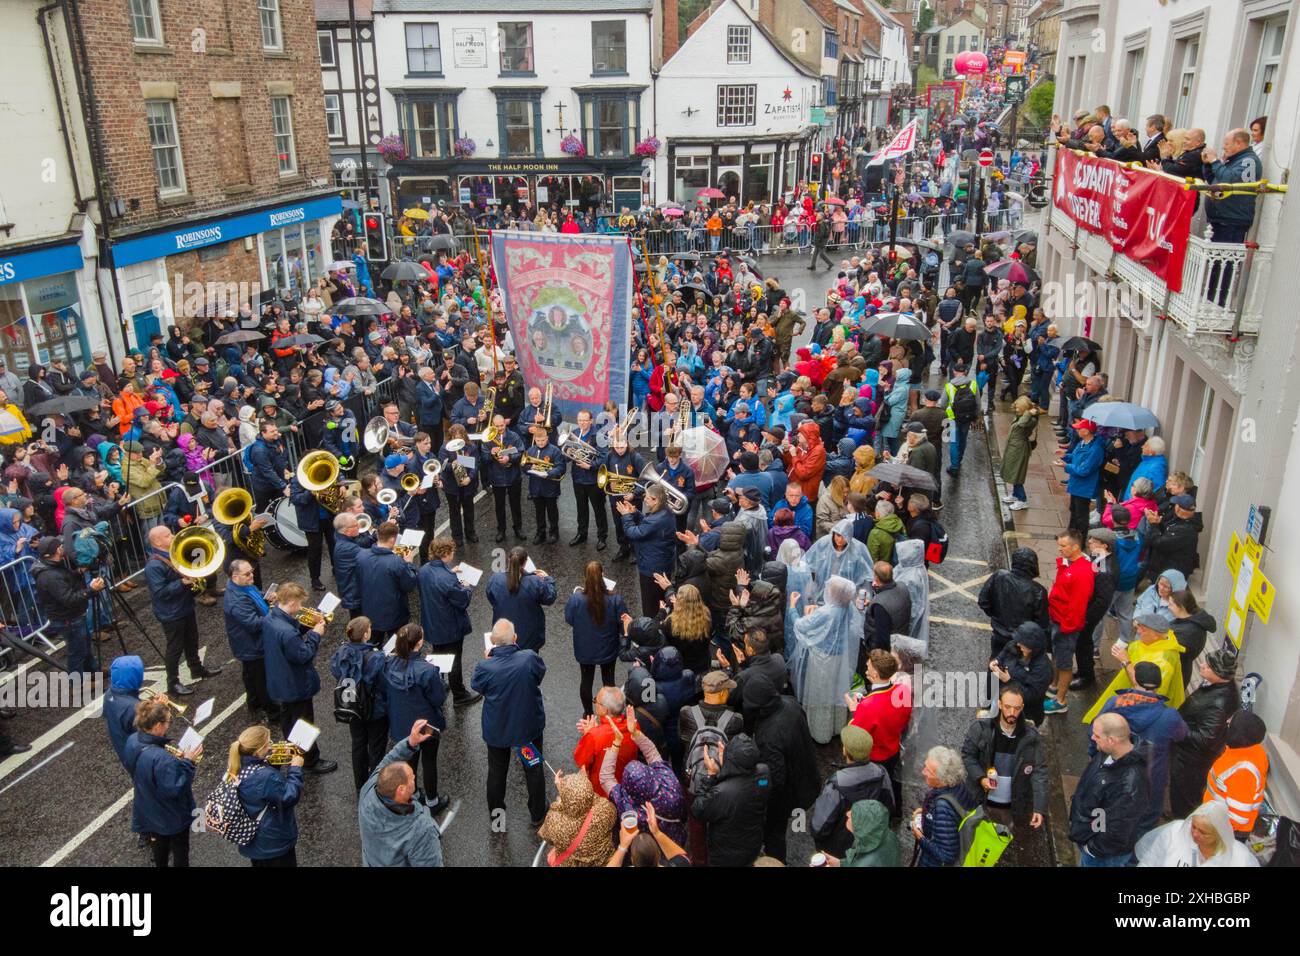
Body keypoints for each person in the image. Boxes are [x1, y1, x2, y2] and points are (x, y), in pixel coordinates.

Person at [1095, 662, 1188, 834]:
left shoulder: (1114, 703)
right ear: (1158, 685)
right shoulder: (1169, 716)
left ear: (1135, 680)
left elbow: (1094, 734)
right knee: (1144, 826)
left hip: (1114, 775)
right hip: (1151, 780)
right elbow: (1182, 735)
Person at [471, 618, 548, 826]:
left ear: (494, 641)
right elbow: (538, 676)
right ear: (514, 638)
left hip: (498, 730)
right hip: (526, 729)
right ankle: (538, 813)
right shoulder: (529, 658)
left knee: (497, 772)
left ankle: (498, 818)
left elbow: (477, 686)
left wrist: (487, 660)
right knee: (532, 767)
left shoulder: (485, 666)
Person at [742, 673, 820, 863]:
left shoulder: (769, 735)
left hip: (789, 793)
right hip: (808, 775)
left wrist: (755, 784)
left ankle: (775, 861)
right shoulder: (790, 703)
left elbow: (774, 779)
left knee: (774, 832)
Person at [142, 526, 221, 697]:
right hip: (171, 614)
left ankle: (197, 669)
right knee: (175, 648)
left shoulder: (173, 554)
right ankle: (173, 683)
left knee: (192, 640)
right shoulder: (154, 566)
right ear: (157, 542)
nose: (172, 536)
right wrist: (182, 583)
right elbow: (160, 592)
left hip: (184, 606)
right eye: (167, 535)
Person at [358, 719, 446, 867]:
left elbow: (389, 760)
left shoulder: (368, 790)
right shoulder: (420, 831)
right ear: (401, 790)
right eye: (411, 778)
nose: (414, 778)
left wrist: (410, 742)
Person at [123, 697, 199, 867]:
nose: (168, 725)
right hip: (171, 816)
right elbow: (176, 788)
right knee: (180, 851)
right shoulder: (163, 759)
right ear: (157, 726)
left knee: (159, 850)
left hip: (148, 808)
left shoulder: (132, 740)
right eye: (167, 722)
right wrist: (188, 762)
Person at [961, 684, 1047, 834]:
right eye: (1007, 707)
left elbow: (1039, 772)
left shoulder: (1031, 737)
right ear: (999, 704)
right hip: (982, 802)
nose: (1012, 712)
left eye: (1017, 708)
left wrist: (1039, 808)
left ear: (1022, 707)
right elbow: (968, 755)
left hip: (1012, 808)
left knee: (1002, 841)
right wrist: (981, 778)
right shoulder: (981, 728)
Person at [787, 575, 863, 744]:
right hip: (840, 656)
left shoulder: (827, 611)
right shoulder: (847, 606)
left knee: (820, 693)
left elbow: (801, 625)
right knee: (836, 690)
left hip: (823, 660)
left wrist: (792, 607)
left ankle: (820, 732)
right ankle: (836, 726)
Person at [382, 623, 449, 814]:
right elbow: (438, 698)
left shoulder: (388, 664)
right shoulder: (427, 670)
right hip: (425, 725)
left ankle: (413, 795)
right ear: (419, 643)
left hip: (401, 723)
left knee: (409, 762)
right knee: (429, 762)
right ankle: (432, 800)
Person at [1070, 713, 1150, 867]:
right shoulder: (1107, 753)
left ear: (1111, 740)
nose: (1092, 738)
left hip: (1103, 857)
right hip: (1090, 835)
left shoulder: (1131, 784)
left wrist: (1091, 849)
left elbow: (1118, 831)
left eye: (1097, 735)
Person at [1169, 650, 1239, 818]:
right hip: (1187, 753)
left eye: (1208, 666)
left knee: (1185, 796)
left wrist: (1178, 729)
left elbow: (1205, 739)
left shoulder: (1218, 704)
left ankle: (1184, 823)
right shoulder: (1215, 684)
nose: (1202, 665)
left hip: (1191, 760)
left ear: (1219, 673)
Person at [1083, 614, 1187, 724]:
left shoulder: (1163, 662)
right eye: (1138, 627)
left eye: (1143, 629)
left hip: (1141, 709)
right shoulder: (1156, 642)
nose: (1138, 632)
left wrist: (1126, 661)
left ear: (1155, 635)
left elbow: (1145, 690)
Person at [810, 723, 897, 856]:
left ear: (845, 751)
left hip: (840, 849)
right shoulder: (882, 773)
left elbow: (820, 827)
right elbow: (889, 808)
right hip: (871, 842)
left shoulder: (836, 785)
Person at [228, 724, 306, 867]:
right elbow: (289, 796)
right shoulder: (265, 777)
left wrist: (272, 762)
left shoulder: (237, 765)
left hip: (255, 842)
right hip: (273, 842)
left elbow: (260, 788)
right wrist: (295, 769)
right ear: (258, 751)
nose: (271, 746)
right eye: (268, 744)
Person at [689, 733, 771, 867]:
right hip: (752, 843)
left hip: (725, 854)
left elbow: (698, 810)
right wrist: (726, 762)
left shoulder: (724, 792)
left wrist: (710, 775)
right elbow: (756, 785)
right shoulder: (764, 775)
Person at [848, 649, 912, 816]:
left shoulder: (868, 706)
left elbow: (857, 735)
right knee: (894, 785)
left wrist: (855, 710)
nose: (866, 667)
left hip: (876, 757)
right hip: (894, 748)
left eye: (868, 666)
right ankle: (896, 811)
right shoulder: (903, 691)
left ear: (875, 674)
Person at [32, 536, 106, 679]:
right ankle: (77, 684)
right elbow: (69, 599)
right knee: (76, 651)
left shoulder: (53, 565)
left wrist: (77, 573)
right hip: (68, 618)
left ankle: (93, 671)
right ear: (53, 552)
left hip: (73, 615)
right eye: (59, 547)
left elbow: (65, 579)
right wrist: (91, 590)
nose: (62, 548)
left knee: (85, 645)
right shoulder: (49, 576)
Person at [418, 536, 481, 704]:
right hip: (449, 626)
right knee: (454, 660)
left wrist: (450, 572)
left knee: (438, 655)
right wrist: (466, 587)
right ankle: (459, 695)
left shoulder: (424, 569)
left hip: (432, 622)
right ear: (446, 552)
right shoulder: (447, 579)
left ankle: (438, 685)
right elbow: (462, 601)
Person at [330, 616, 389, 791]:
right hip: (374, 710)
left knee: (358, 745)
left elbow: (336, 671)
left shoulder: (342, 652)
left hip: (351, 706)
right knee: (376, 748)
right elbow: (382, 684)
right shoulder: (375, 657)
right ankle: (375, 787)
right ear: (365, 634)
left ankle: (360, 785)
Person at [565, 561, 631, 717]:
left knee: (586, 681)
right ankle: (611, 711)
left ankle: (588, 712)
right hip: (608, 648)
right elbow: (624, 625)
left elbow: (569, 619)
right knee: (609, 681)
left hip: (585, 649)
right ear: (602, 575)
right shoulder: (615, 599)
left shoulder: (576, 599)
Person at [1043, 530, 1094, 716]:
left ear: (1075, 547)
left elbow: (1078, 605)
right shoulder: (1070, 563)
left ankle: (1060, 700)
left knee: (1064, 663)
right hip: (1057, 619)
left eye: (1063, 546)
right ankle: (1054, 686)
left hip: (1066, 625)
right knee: (1057, 656)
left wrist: (1066, 628)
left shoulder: (1082, 572)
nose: (1059, 549)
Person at [223, 559, 278, 723]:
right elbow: (254, 625)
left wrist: (267, 598)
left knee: (250, 676)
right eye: (247, 574)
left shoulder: (243, 586)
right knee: (261, 679)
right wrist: (275, 612)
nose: (252, 575)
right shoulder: (236, 600)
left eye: (251, 571)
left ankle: (254, 704)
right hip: (252, 646)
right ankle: (273, 713)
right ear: (235, 576)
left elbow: (256, 595)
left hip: (249, 644)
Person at [1135, 802, 1259, 868]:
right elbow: (1149, 862)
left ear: (1218, 835)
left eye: (1203, 832)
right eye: (1193, 826)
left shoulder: (1240, 858)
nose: (1194, 833)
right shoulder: (1174, 832)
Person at [979, 547, 1050, 660]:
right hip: (1022, 642)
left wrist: (997, 616)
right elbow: (1042, 624)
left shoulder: (999, 576)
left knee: (995, 665)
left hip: (999, 635)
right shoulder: (1038, 591)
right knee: (1017, 672)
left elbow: (983, 601)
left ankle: (992, 677)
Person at [357, 520, 419, 649]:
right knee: (397, 649)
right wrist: (409, 564)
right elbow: (409, 585)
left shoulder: (361, 556)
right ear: (392, 540)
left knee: (373, 649)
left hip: (371, 612)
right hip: (394, 615)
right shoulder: (396, 562)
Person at [1205, 711, 1269, 835]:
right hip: (1215, 815)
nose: (1227, 723)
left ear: (1237, 735)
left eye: (1231, 724)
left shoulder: (1244, 772)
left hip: (1226, 830)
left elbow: (1238, 819)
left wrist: (1213, 829)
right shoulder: (1251, 749)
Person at [538, 767, 616, 868]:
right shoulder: (606, 809)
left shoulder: (554, 820)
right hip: (603, 861)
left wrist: (562, 794)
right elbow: (593, 799)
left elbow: (547, 837)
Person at [618, 483, 677, 615]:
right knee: (661, 601)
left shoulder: (656, 519)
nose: (645, 499)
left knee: (650, 605)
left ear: (657, 500)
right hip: (662, 563)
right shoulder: (665, 511)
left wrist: (626, 515)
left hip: (651, 568)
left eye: (648, 498)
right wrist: (636, 513)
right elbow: (648, 523)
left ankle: (650, 629)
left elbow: (633, 532)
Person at [912, 746, 976, 867]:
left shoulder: (943, 807)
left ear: (942, 778)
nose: (923, 772)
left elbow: (947, 855)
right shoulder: (958, 785)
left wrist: (920, 837)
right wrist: (926, 812)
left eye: (929, 771)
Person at [486, 546, 556, 652]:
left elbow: (491, 598)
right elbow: (550, 597)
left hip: (504, 637)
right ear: (525, 562)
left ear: (509, 560)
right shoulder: (534, 582)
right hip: (529, 638)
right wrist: (547, 580)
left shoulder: (495, 579)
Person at [565, 409, 608, 549]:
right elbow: (566, 456)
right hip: (578, 478)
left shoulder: (599, 435)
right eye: (580, 420)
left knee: (599, 510)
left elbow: (604, 457)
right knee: (581, 509)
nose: (582, 423)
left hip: (593, 479)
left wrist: (589, 466)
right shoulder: (575, 433)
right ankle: (581, 534)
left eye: (585, 420)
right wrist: (569, 452)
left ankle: (602, 537)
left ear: (591, 421)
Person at [820, 800, 900, 868]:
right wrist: (839, 863)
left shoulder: (866, 863)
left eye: (853, 815)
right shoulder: (886, 834)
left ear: (864, 829)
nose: (847, 813)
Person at [103, 655, 145, 771]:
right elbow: (152, 734)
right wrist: (157, 710)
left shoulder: (109, 694)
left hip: (125, 752)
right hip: (142, 760)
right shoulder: (134, 708)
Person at [524, 425, 565, 543]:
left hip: (550, 486)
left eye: (543, 440)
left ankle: (554, 532)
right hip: (536, 487)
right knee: (539, 512)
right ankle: (540, 533)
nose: (541, 443)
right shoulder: (530, 451)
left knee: (552, 512)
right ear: (534, 439)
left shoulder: (555, 450)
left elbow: (561, 467)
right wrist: (529, 467)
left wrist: (548, 473)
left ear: (547, 438)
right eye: (538, 440)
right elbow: (524, 467)